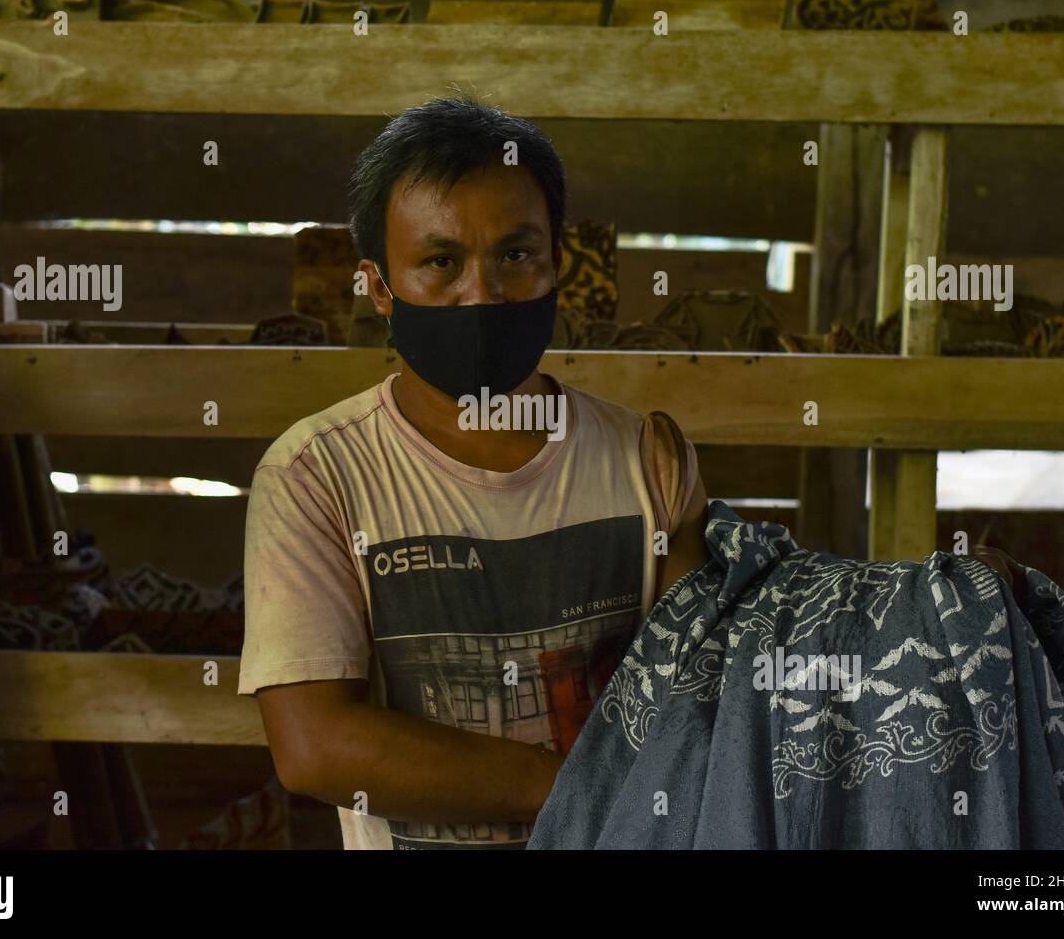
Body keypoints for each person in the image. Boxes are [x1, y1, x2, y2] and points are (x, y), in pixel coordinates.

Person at [237, 94, 710, 849]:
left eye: (516, 255)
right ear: (380, 289)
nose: (482, 293)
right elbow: (314, 746)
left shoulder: (647, 460)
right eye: (441, 262)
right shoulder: (317, 475)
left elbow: (697, 704)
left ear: (557, 261)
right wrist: (588, 792)